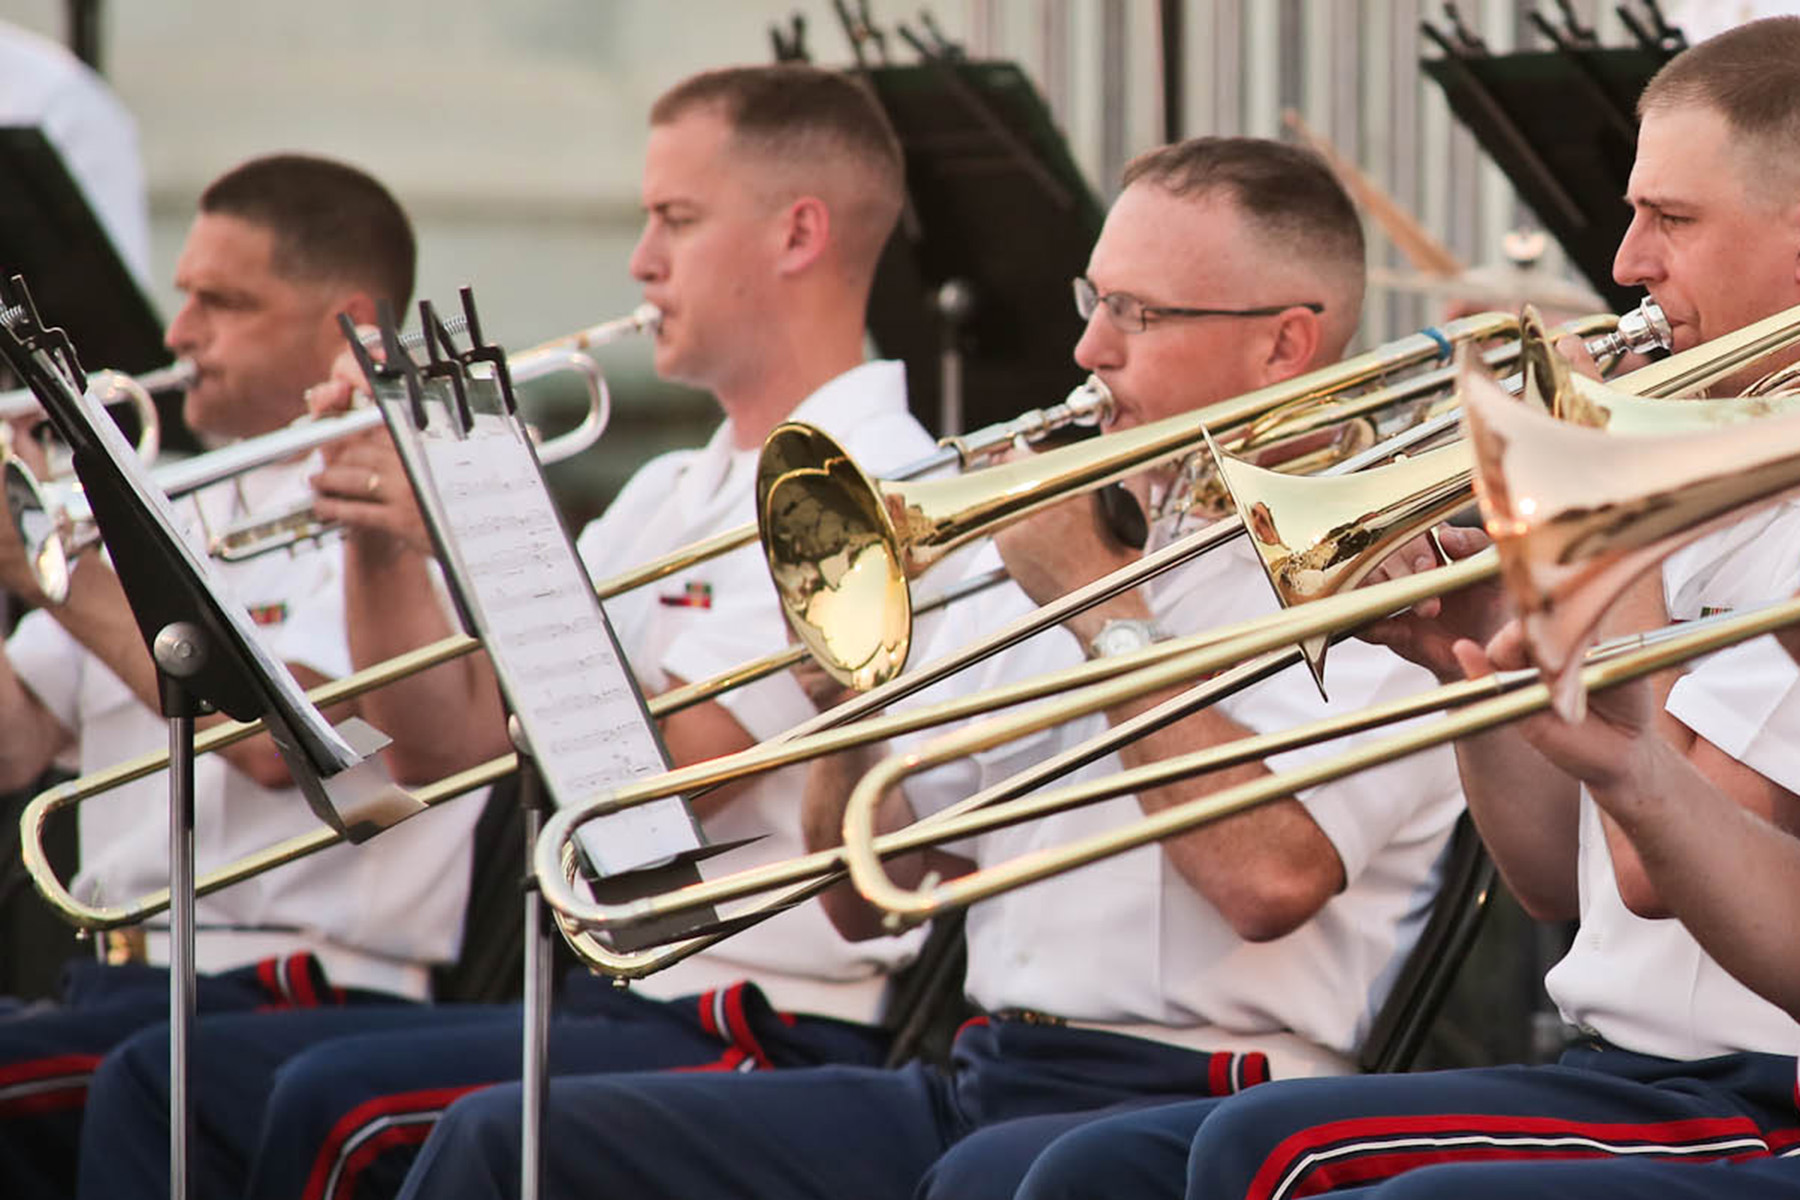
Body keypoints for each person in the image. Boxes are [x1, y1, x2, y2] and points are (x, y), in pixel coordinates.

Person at [386, 134, 1467, 1200]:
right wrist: (855, 707)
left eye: (1141, 315)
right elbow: (871, 893)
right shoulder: (1071, 541)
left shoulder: (1372, 556)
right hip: (984, 1076)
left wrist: (1107, 614)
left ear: (1284, 346)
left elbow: (1268, 880)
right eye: (1094, 300)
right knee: (510, 1140)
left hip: (1202, 1105)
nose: (1091, 349)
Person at [74, 64, 938, 1200]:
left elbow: (662, 795)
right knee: (218, 1084)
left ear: (799, 233)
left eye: (675, 219)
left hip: (755, 1022)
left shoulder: (872, 478)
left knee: (316, 1106)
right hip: (616, 1005)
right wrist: (380, 532)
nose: (640, 261)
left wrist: (483, 535)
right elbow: (452, 746)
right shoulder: (669, 489)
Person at [1016, 16, 1800, 1200]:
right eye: (1636, 213)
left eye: (1672, 221)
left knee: (1266, 1151)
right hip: (1626, 1067)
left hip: (1753, 1088)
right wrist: (1465, 670)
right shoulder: (1714, 476)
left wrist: (1604, 500)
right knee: (1100, 1172)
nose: (1627, 260)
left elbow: (1651, 874)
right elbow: (1552, 883)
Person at [0, 154, 479, 1200]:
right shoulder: (162, 505)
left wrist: (46, 568)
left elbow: (282, 743)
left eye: (221, 301)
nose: (175, 333)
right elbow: (13, 746)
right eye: (184, 296)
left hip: (294, 991)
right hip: (111, 986)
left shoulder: (402, 506)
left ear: (346, 321)